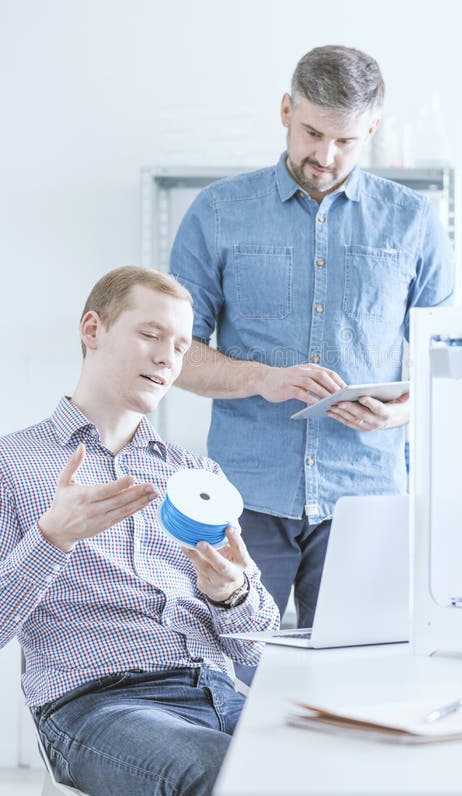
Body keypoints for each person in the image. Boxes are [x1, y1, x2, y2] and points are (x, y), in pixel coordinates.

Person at [170, 44, 454, 631]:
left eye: (346, 141)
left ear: (372, 128)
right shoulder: (217, 212)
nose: (324, 156)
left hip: (366, 502)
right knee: (235, 686)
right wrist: (261, 378)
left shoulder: (414, 221)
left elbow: (451, 363)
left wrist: (402, 413)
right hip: (245, 502)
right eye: (312, 132)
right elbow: (174, 355)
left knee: (358, 689)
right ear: (285, 110)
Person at [0, 266, 279, 796]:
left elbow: (255, 649)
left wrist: (230, 594)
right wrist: (51, 539)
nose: (167, 358)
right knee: (226, 772)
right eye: (150, 335)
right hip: (97, 705)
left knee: (339, 760)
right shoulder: (11, 464)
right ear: (92, 330)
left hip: (220, 691)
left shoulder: (198, 477)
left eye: (179, 346)